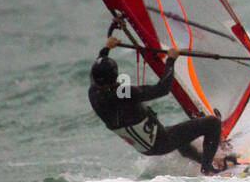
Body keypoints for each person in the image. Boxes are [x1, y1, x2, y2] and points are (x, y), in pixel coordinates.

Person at [88, 35, 229, 174]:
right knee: (213, 123)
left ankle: (203, 160)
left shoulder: (94, 94)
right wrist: (171, 60)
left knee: (180, 137)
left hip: (146, 146)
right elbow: (162, 89)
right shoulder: (125, 94)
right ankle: (208, 169)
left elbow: (96, 72)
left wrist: (106, 48)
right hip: (160, 142)